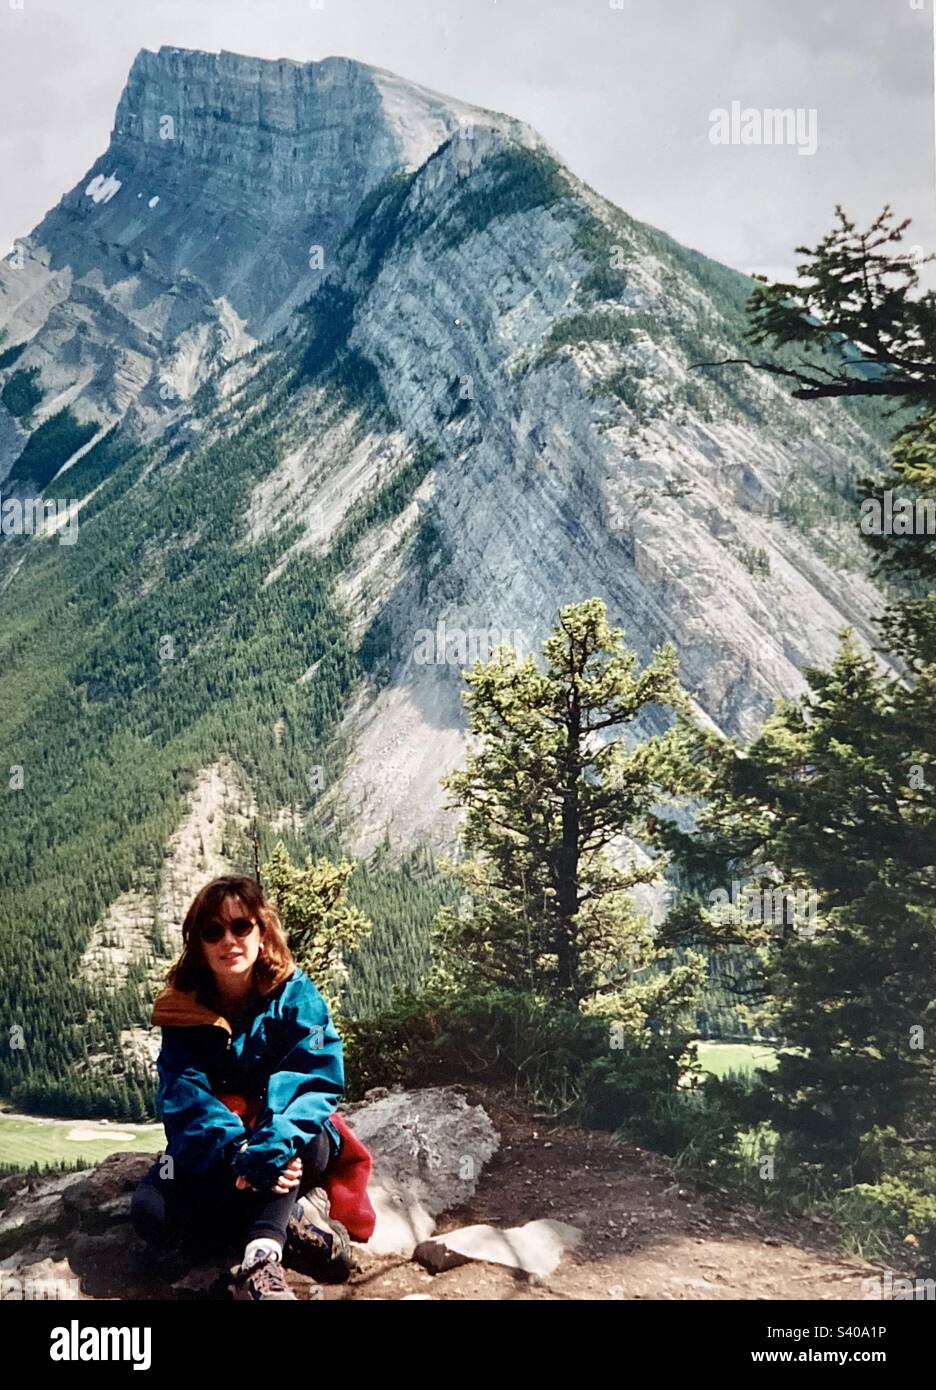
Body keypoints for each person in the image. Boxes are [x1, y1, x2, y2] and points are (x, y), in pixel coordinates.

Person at [130, 874, 353, 1301]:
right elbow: (183, 1096)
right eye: (213, 930)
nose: (228, 940)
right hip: (218, 1144)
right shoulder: (182, 1007)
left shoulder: (295, 994)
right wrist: (237, 1154)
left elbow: (315, 1078)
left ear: (261, 930)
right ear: (197, 942)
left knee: (302, 1148)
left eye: (241, 926)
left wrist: (267, 1149)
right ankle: (296, 1214)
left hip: (291, 1135)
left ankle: (260, 1257)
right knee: (150, 1213)